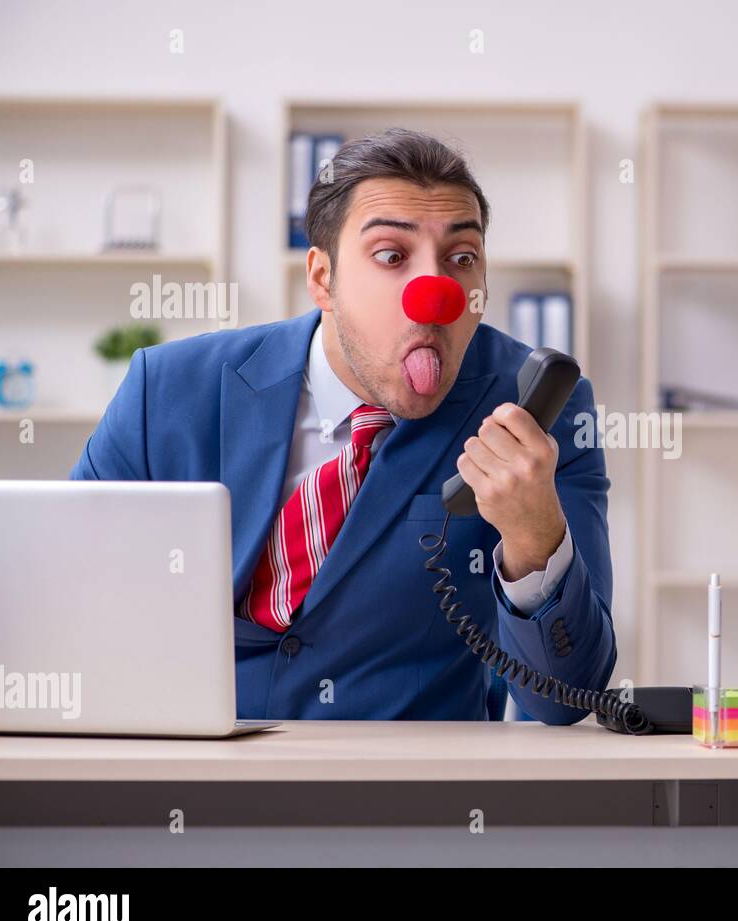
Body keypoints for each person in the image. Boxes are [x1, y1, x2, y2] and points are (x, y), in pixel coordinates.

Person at [70, 128, 616, 725]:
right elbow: (68, 594)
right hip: (183, 777)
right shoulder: (167, 389)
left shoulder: (535, 411)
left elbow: (564, 699)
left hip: (404, 796)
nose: (432, 296)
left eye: (462, 259)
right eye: (391, 256)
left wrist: (534, 536)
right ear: (322, 278)